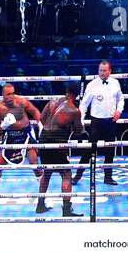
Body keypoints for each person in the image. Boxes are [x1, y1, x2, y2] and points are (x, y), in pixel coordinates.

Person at [73, 59, 124, 186]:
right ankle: (77, 176)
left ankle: (108, 177)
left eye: (104, 70)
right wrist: (80, 122)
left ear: (109, 71)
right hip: (96, 122)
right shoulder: (92, 85)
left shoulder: (115, 83)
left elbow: (121, 99)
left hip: (111, 121)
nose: (102, 73)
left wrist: (119, 111)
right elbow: (84, 105)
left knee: (110, 150)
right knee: (89, 150)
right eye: (100, 70)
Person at [36, 84, 83, 217]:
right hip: (57, 142)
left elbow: (42, 118)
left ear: (67, 91)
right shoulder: (74, 110)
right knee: (66, 174)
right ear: (77, 94)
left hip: (43, 138)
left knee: (47, 172)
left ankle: (40, 205)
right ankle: (67, 209)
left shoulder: (53, 101)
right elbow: (79, 130)